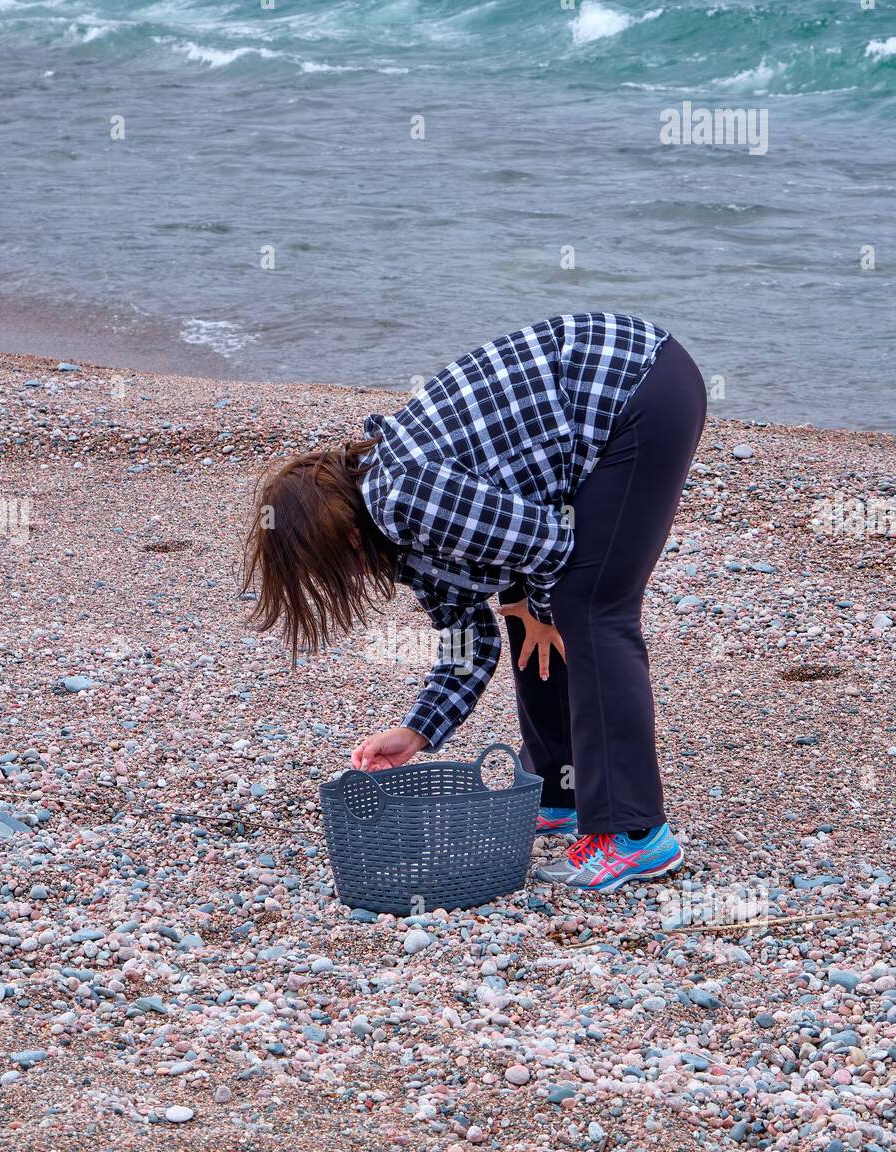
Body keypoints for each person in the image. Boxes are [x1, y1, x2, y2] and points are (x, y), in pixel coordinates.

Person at [243, 312, 707, 892]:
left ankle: (634, 833)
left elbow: (549, 542)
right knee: (527, 606)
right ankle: (561, 790)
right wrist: (416, 733)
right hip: (607, 407)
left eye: (329, 567)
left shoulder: (400, 497)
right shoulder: (400, 539)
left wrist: (539, 609)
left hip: (637, 388)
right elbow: (472, 641)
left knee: (588, 606)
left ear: (341, 537)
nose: (345, 578)